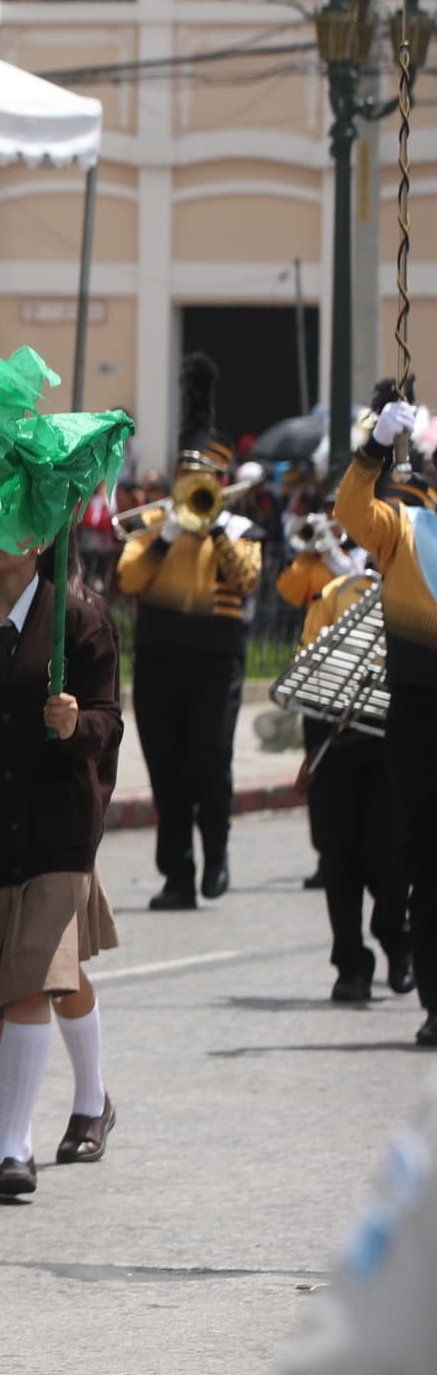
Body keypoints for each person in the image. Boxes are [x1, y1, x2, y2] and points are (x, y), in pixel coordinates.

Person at [0, 537, 122, 1201]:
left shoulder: (79, 619)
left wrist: (76, 726)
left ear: (39, 536)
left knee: (33, 982)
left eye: (6, 515)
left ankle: (17, 1145)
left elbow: (109, 723)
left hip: (54, 834)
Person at [117, 354, 260, 909]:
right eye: (188, 475)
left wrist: (216, 528)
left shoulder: (240, 527)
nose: (196, 484)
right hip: (159, 654)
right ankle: (177, 874)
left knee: (208, 760)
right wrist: (171, 532)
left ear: (223, 481)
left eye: (207, 478)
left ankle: (216, 851)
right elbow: (129, 576)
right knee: (166, 769)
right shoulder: (157, 523)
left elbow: (247, 580)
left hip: (215, 657)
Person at [334, 394, 437, 1047]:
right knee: (427, 864)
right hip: (421, 713)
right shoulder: (405, 526)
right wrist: (372, 450)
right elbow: (350, 513)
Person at [275, 522, 411, 1003]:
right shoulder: (337, 592)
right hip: (338, 738)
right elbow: (307, 664)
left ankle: (397, 938)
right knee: (340, 858)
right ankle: (350, 963)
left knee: (391, 855)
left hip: (397, 741)